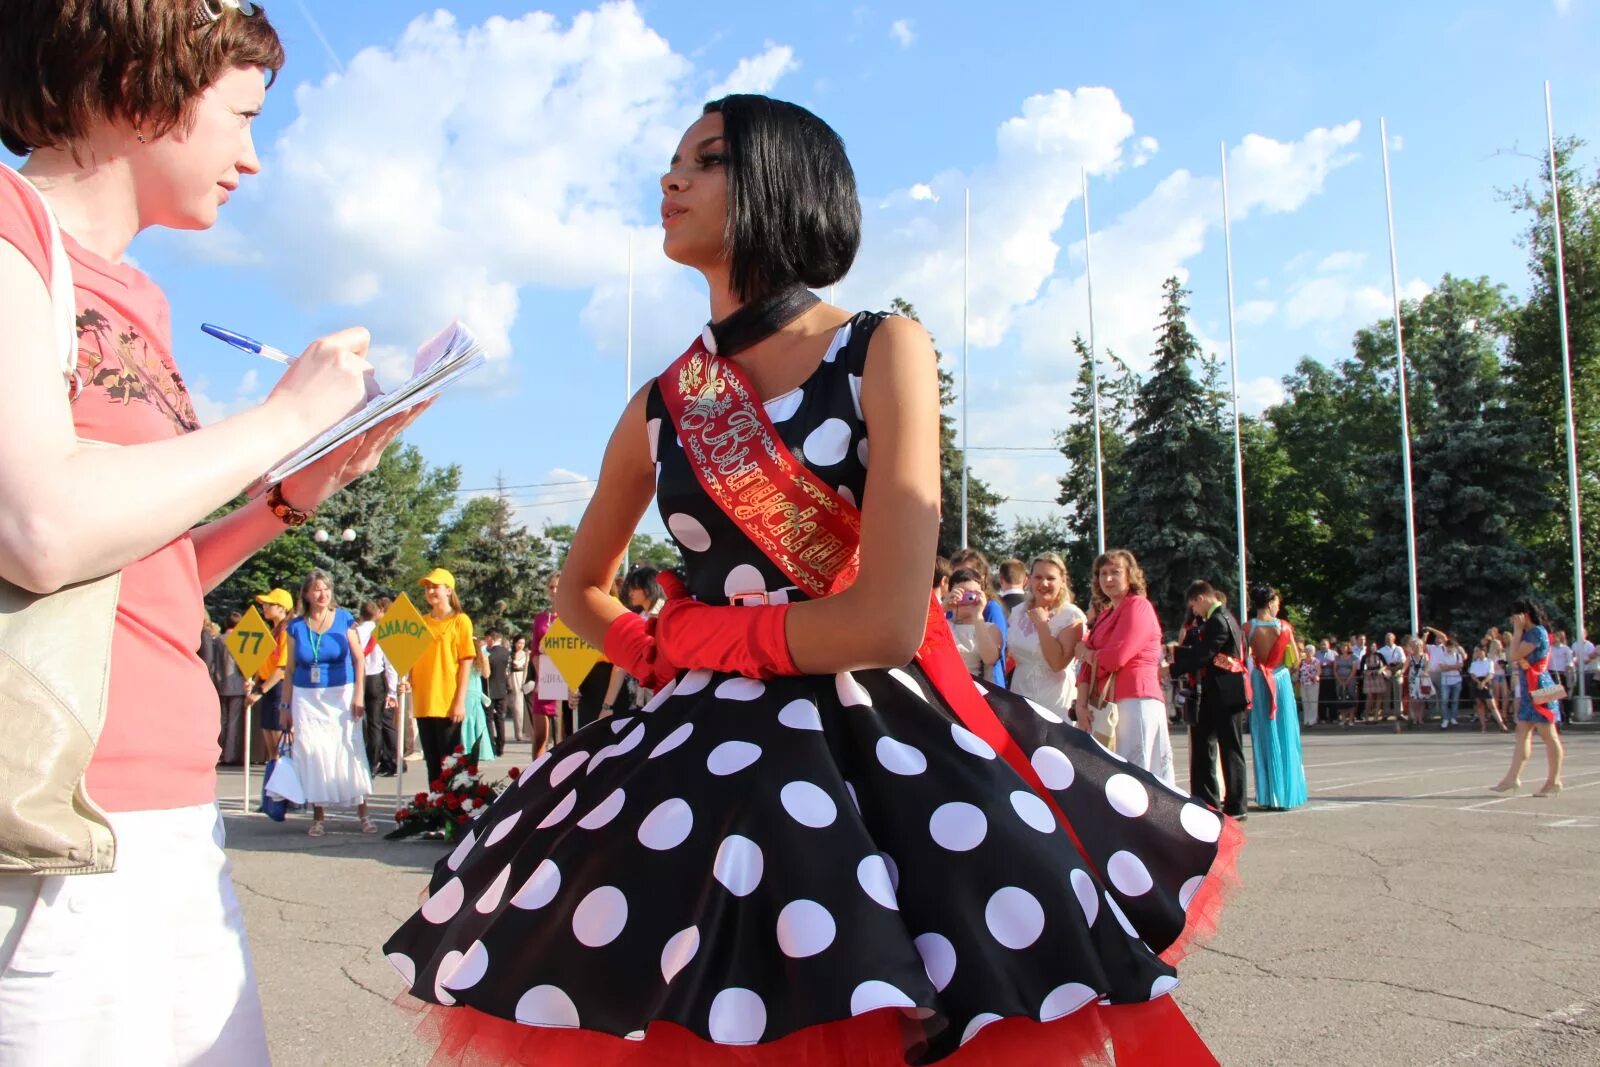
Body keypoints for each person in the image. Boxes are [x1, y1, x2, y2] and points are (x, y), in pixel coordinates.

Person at [384, 93, 1234, 1064]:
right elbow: (579, 588)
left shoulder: (879, 347)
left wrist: (698, 637)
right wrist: (648, 647)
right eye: (673, 160)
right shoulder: (663, 402)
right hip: (692, 745)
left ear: (782, 183)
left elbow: (880, 620)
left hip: (875, 738)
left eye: (705, 159)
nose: (672, 178)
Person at [0, 2, 422, 1058]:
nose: (252, 158)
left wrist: (290, 492)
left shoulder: (135, 291)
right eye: (240, 116)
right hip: (57, 820)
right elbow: (40, 525)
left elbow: (141, 569)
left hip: (164, 806)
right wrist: (281, 418)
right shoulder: (14, 229)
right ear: (143, 86)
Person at [279, 571, 375, 836]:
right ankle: (318, 816)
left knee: (348, 747)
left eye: (326, 589)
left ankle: (363, 813)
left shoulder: (344, 619)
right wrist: (285, 707)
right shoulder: (296, 626)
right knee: (314, 752)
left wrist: (358, 695)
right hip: (306, 697)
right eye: (317, 590)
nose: (323, 594)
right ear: (307, 594)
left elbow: (359, 659)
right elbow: (289, 669)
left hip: (340, 693)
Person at [1075, 549, 1176, 786]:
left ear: (1130, 575)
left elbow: (1116, 658)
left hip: (1136, 700)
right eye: (1103, 573)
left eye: (1115, 572)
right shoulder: (1106, 614)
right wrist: (1081, 706)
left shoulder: (1138, 606)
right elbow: (1088, 668)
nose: (1108, 578)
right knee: (1118, 772)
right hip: (1108, 704)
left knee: (1139, 771)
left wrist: (1088, 654)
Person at [1167, 580, 1250, 818]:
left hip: (1225, 691)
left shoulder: (1218, 620)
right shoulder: (1221, 619)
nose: (1194, 611)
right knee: (1208, 744)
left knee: (1229, 749)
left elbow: (1204, 654)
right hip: (1218, 691)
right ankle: (1208, 799)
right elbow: (1201, 650)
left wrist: (1172, 669)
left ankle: (1235, 805)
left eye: (1194, 605)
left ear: (1201, 598)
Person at [1492, 599, 1566, 797]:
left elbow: (1514, 655)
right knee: (1522, 732)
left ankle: (1554, 781)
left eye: (1515, 615)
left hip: (1542, 687)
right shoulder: (1527, 634)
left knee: (1548, 735)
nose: (1512, 620)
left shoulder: (1537, 632)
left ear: (1524, 615)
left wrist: (1516, 632)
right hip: (1529, 688)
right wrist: (1518, 633)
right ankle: (1512, 778)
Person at [1245, 587, 1308, 810]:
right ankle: (1286, 794)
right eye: (1277, 601)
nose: (1278, 605)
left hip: (1260, 680)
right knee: (1285, 732)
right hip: (1279, 679)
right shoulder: (1284, 627)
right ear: (1270, 602)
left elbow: (1242, 656)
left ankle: (1267, 794)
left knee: (1264, 733)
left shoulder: (1248, 627)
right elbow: (1295, 660)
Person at [411, 568, 475, 785]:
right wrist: (405, 683)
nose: (430, 591)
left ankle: (454, 813)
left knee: (451, 765)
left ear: (449, 590)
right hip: (423, 702)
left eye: (435, 587)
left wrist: (459, 701)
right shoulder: (420, 622)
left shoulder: (460, 621)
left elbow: (466, 662)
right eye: (427, 588)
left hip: (447, 703)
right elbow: (409, 658)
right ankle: (435, 811)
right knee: (432, 765)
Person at [1004, 552, 1086, 718]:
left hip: (1054, 700)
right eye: (1038, 577)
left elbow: (1057, 663)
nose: (1044, 583)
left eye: (1051, 578)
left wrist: (1042, 625)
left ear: (1062, 580)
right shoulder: (1018, 612)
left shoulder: (1070, 616)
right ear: (1030, 579)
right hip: (1020, 694)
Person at [247, 588, 294, 764]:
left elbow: (282, 667)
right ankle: (273, 780)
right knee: (268, 736)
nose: (265, 608)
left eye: (270, 604)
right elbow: (264, 663)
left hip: (279, 688)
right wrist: (255, 682)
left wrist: (260, 691)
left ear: (282, 608)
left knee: (278, 739)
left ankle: (283, 783)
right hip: (268, 687)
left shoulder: (286, 631)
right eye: (264, 604)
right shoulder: (273, 630)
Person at [950, 547, 1009, 686]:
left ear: (982, 578)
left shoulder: (990, 608)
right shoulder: (950, 609)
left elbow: (997, 653)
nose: (965, 578)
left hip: (986, 682)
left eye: (970, 573)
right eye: (958, 575)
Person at [354, 598, 400, 776]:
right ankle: (373, 762)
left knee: (358, 722)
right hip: (376, 679)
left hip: (359, 678)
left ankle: (364, 759)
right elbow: (389, 662)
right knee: (376, 723)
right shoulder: (382, 631)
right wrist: (392, 690)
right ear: (376, 613)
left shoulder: (354, 631)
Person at [527, 573, 562, 758]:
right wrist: (540, 676)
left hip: (566, 677)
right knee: (540, 735)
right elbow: (534, 651)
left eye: (558, 586)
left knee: (562, 737)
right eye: (551, 587)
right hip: (546, 676)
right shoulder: (541, 618)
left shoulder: (571, 616)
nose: (555, 591)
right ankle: (536, 777)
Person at [946, 566, 1002, 680]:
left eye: (972, 594)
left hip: (975, 689)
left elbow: (990, 659)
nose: (967, 598)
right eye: (962, 592)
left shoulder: (990, 629)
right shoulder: (942, 624)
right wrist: (943, 607)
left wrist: (977, 615)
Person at [215, 610, 249, 765]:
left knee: (221, 720)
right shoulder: (239, 639)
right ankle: (230, 755)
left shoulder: (218, 640)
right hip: (236, 684)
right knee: (234, 721)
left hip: (219, 683)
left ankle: (219, 753)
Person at [458, 638, 497, 764]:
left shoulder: (463, 656)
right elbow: (486, 675)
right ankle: (481, 749)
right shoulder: (481, 657)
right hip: (475, 690)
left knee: (465, 721)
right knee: (478, 720)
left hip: (465, 690)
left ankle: (465, 747)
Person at [483, 628, 511, 755]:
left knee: (489, 719)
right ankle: (501, 745)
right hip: (502, 690)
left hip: (489, 690)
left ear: (490, 638)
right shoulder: (506, 652)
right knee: (500, 719)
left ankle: (491, 745)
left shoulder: (488, 654)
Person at [507, 634, 530, 744]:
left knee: (521, 707)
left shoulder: (526, 654)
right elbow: (507, 669)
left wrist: (524, 681)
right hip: (512, 678)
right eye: (519, 643)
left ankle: (522, 732)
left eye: (522, 643)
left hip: (521, 679)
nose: (521, 645)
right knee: (515, 707)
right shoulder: (511, 654)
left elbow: (526, 669)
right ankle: (517, 732)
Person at [1334, 641, 1359, 727]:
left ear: (1348, 648)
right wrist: (1340, 681)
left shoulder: (1353, 657)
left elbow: (1354, 670)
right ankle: (1343, 718)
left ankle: (1351, 718)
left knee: (1351, 698)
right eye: (1342, 647)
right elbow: (1335, 670)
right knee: (1341, 698)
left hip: (1350, 680)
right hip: (1339, 680)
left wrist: (1347, 681)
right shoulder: (1337, 658)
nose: (1343, 649)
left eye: (1345, 647)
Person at [1298, 642, 1320, 728]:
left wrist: (1316, 676)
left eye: (1310, 651)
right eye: (1307, 650)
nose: (1308, 652)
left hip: (1313, 683)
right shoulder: (1302, 661)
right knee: (1305, 701)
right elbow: (1299, 670)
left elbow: (1318, 671)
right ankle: (1306, 719)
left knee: (1313, 701)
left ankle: (1313, 719)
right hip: (1303, 682)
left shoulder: (1316, 661)